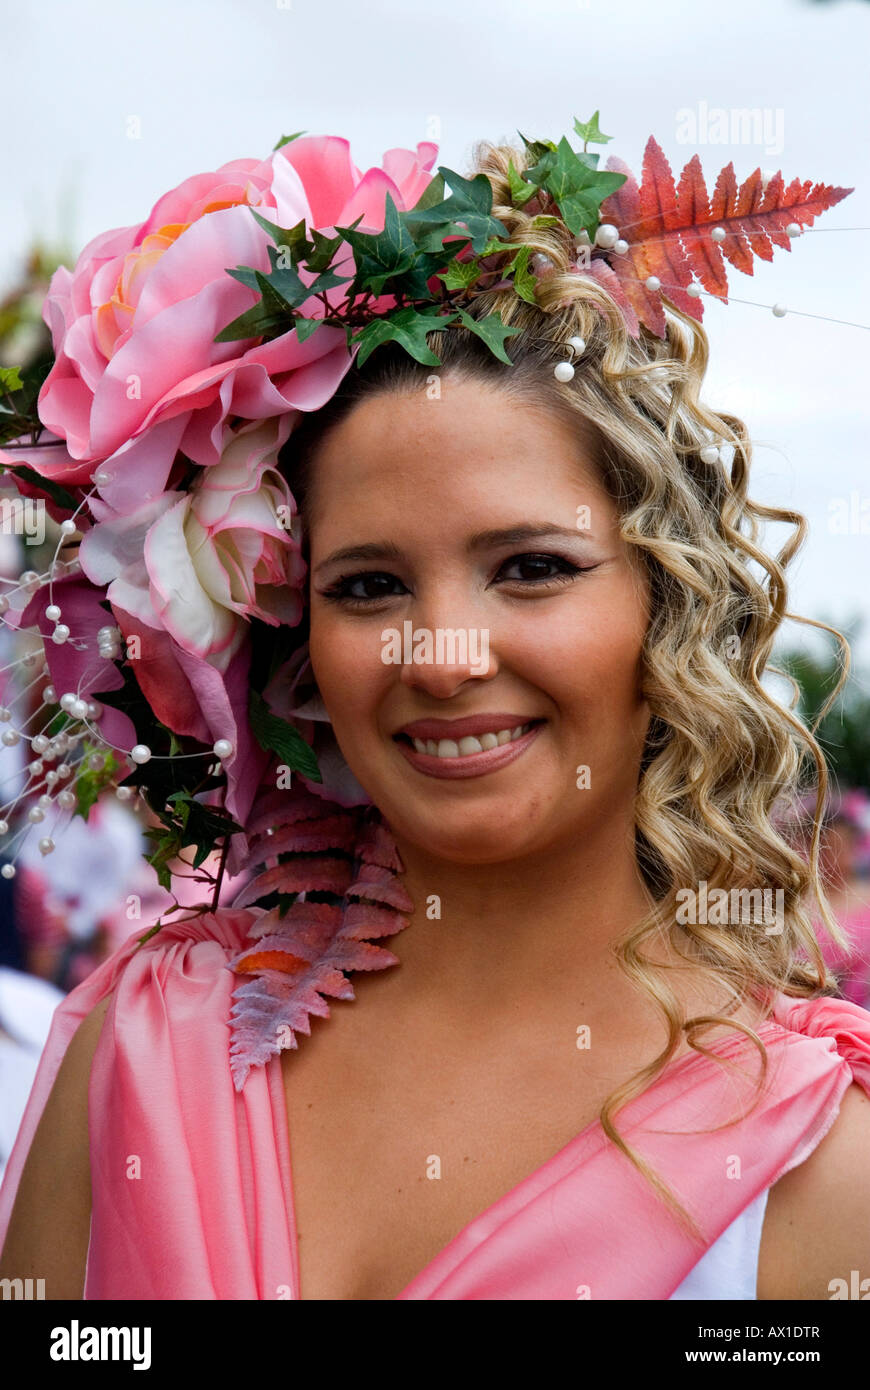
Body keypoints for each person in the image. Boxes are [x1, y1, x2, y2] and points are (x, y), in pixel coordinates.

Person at [1, 134, 869, 1302]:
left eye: (530, 567)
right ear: (291, 640)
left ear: (667, 601)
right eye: (368, 586)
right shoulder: (146, 1045)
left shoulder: (818, 1162)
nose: (444, 656)